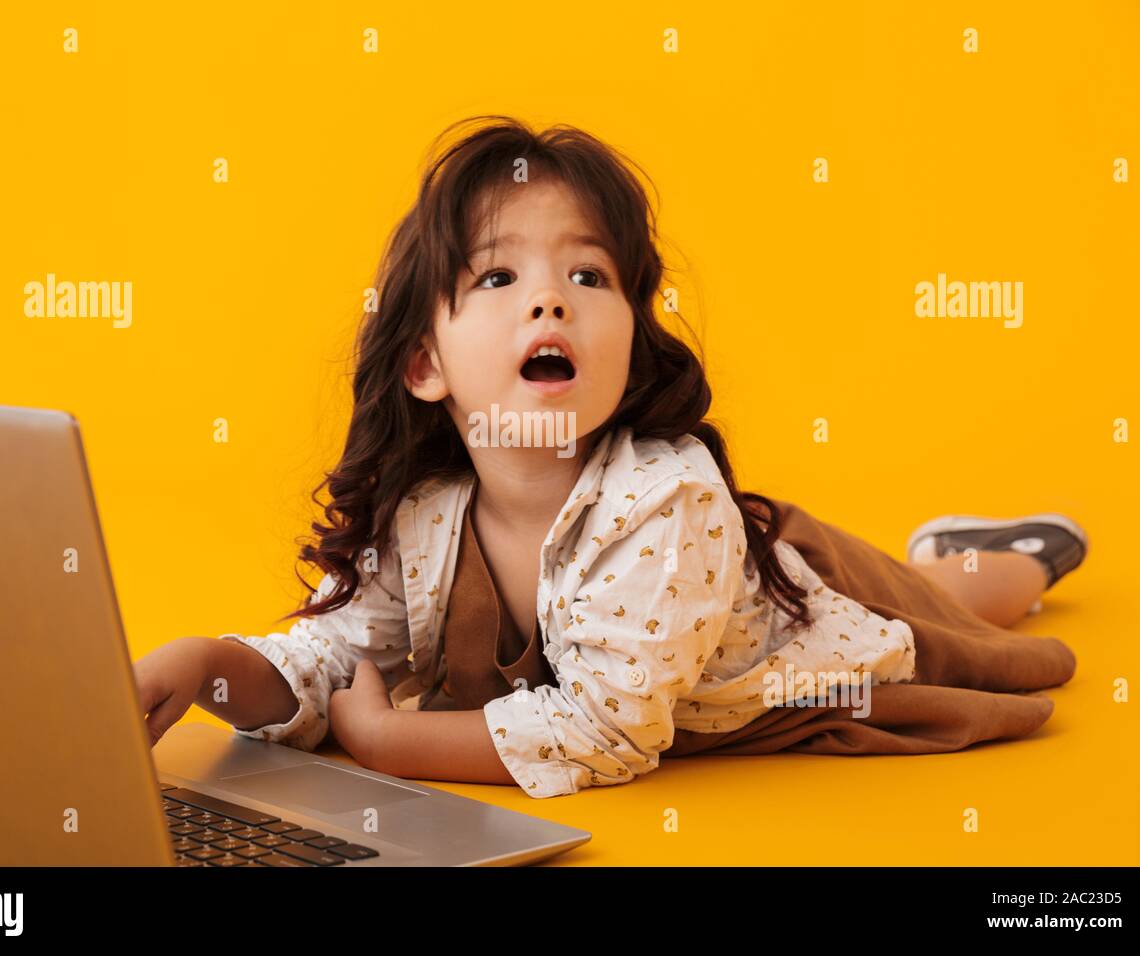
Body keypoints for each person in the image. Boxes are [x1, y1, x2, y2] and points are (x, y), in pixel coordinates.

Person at [133, 116, 1083, 799]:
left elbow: (608, 730)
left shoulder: (666, 498)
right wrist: (208, 665)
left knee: (948, 613)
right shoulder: (427, 515)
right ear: (425, 363)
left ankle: (1011, 558)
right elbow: (335, 657)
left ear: (629, 335)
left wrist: (391, 744)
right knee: (938, 595)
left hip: (795, 622)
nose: (551, 301)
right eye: (499, 276)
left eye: (588, 276)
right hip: (732, 574)